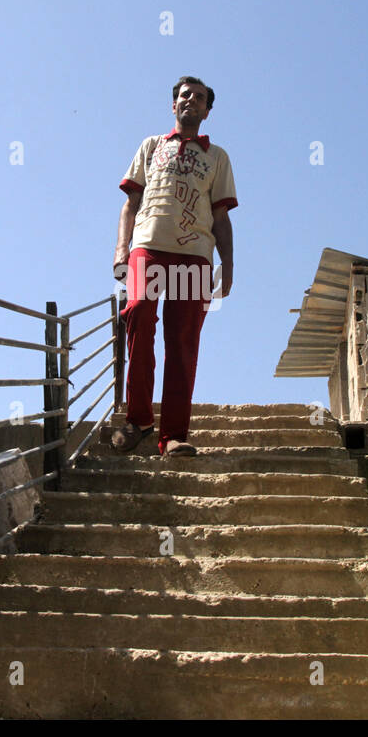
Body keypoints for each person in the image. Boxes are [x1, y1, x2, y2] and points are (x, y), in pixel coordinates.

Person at [111, 76, 237, 456]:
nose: (191, 102)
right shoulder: (151, 146)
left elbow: (221, 216)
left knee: (183, 342)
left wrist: (227, 263)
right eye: (185, 96)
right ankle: (139, 419)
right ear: (173, 105)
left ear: (207, 111)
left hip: (196, 253)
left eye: (199, 98)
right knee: (137, 315)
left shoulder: (217, 157)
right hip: (148, 245)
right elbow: (130, 203)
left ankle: (174, 436)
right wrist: (121, 248)